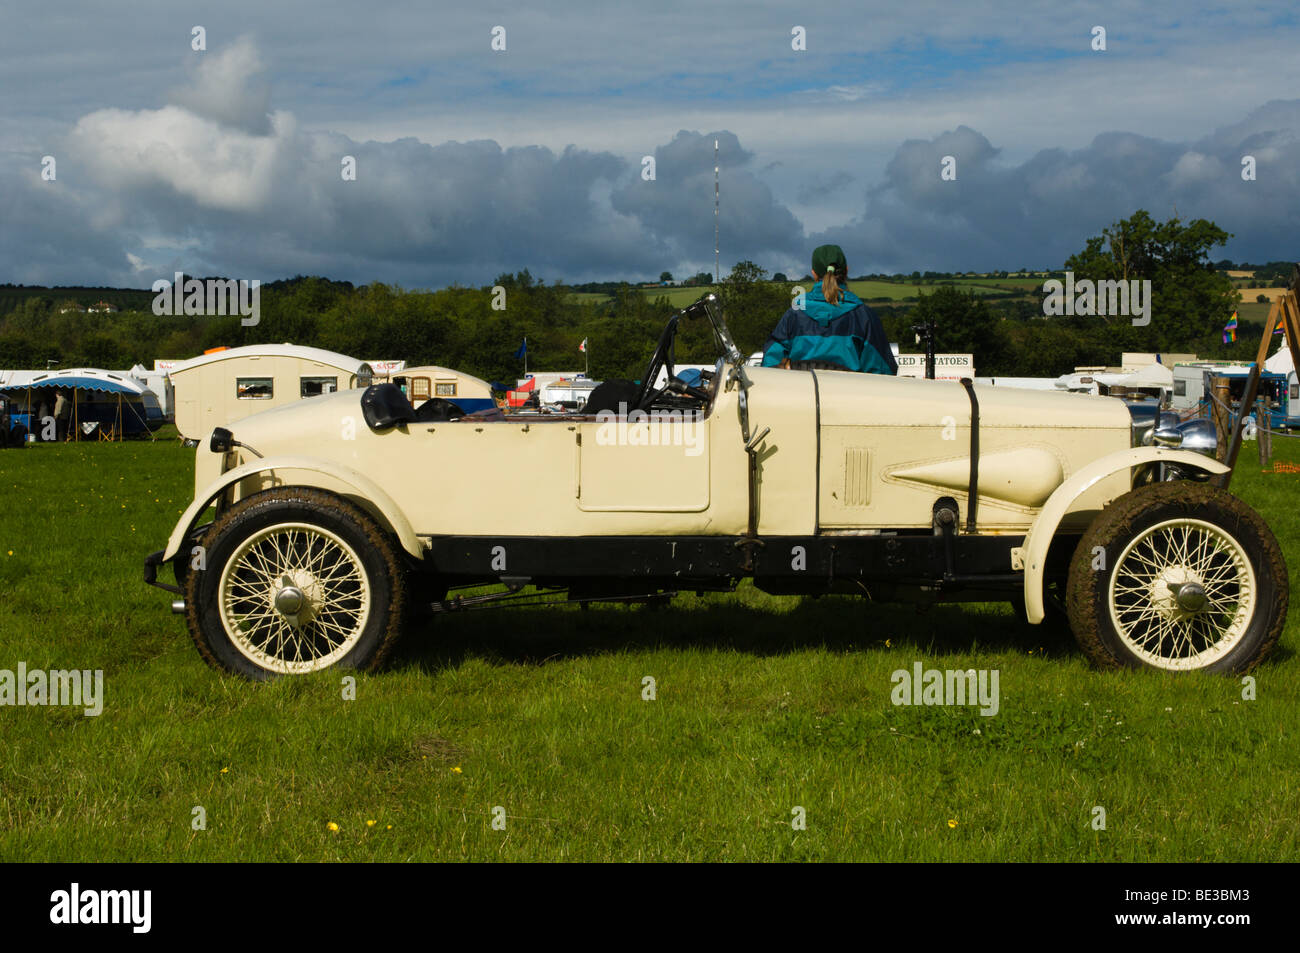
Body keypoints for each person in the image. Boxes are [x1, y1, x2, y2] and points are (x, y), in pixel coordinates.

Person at [761, 244, 897, 375]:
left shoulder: (794, 314)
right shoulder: (864, 316)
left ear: (813, 274)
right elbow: (882, 370)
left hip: (801, 395)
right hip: (850, 397)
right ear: (847, 270)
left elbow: (770, 365)